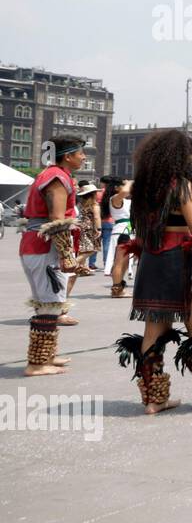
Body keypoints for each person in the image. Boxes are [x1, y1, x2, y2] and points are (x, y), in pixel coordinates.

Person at [112, 130, 192, 412]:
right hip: (182, 262)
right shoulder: (181, 184)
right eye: (191, 154)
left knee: (154, 329)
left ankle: (153, 399)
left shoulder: (146, 186)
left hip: (151, 260)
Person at [18, 135, 85, 376]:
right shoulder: (56, 177)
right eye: (80, 153)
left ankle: (45, 355)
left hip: (37, 245)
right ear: (67, 156)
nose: (84, 157)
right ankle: (37, 363)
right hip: (44, 247)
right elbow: (57, 219)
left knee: (48, 303)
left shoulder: (53, 174)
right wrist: (68, 256)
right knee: (49, 304)